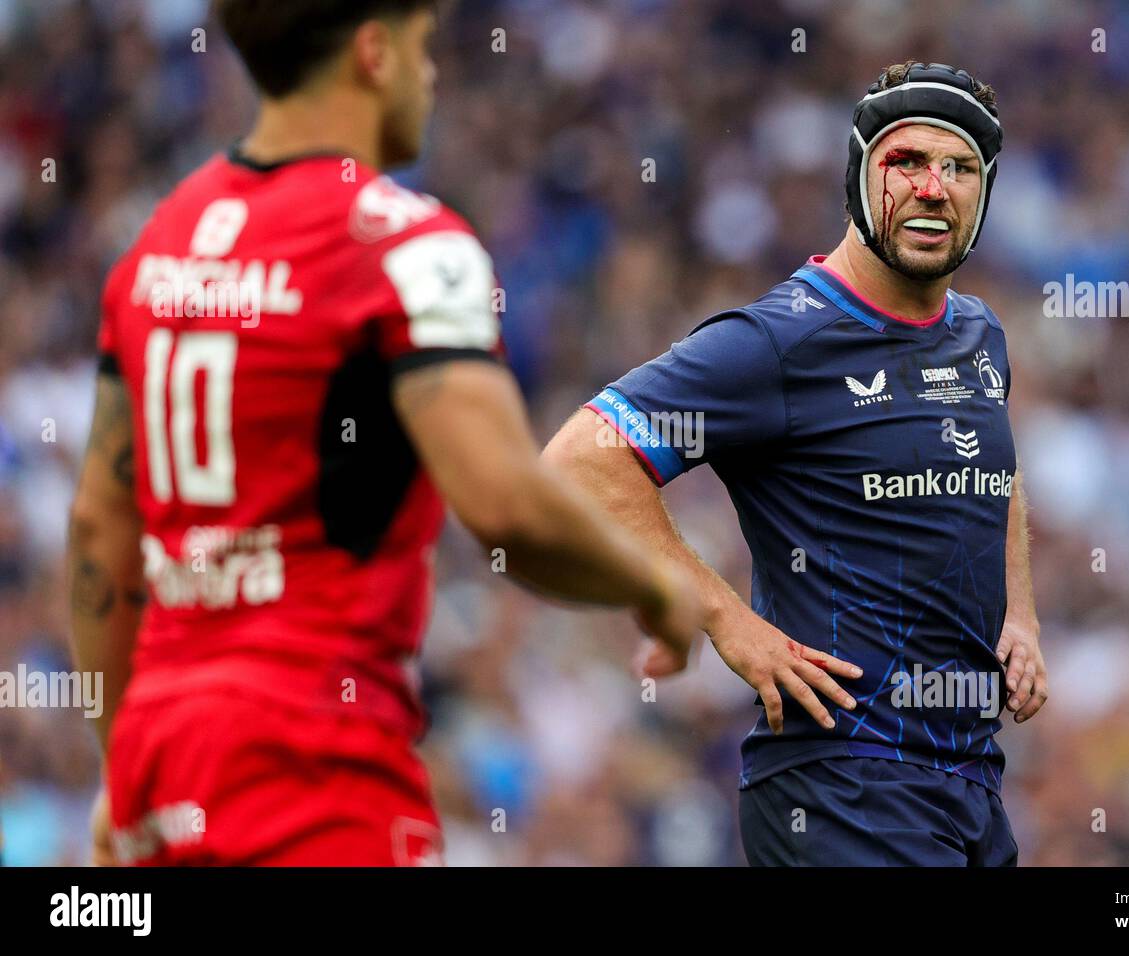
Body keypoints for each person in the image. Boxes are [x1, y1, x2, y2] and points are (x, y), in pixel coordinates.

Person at [68, 0, 702, 866]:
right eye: (424, 44)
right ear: (373, 51)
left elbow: (101, 534)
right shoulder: (406, 246)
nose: (432, 72)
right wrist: (660, 589)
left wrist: (128, 767)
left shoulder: (158, 249)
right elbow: (506, 504)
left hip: (165, 766)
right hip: (315, 765)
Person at [543, 62, 1047, 865]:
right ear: (858, 177)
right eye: (906, 162)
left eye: (958, 168)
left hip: (970, 782)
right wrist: (728, 621)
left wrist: (1019, 613)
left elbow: (994, 461)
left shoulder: (979, 333)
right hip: (841, 785)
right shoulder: (780, 341)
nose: (932, 187)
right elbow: (579, 459)